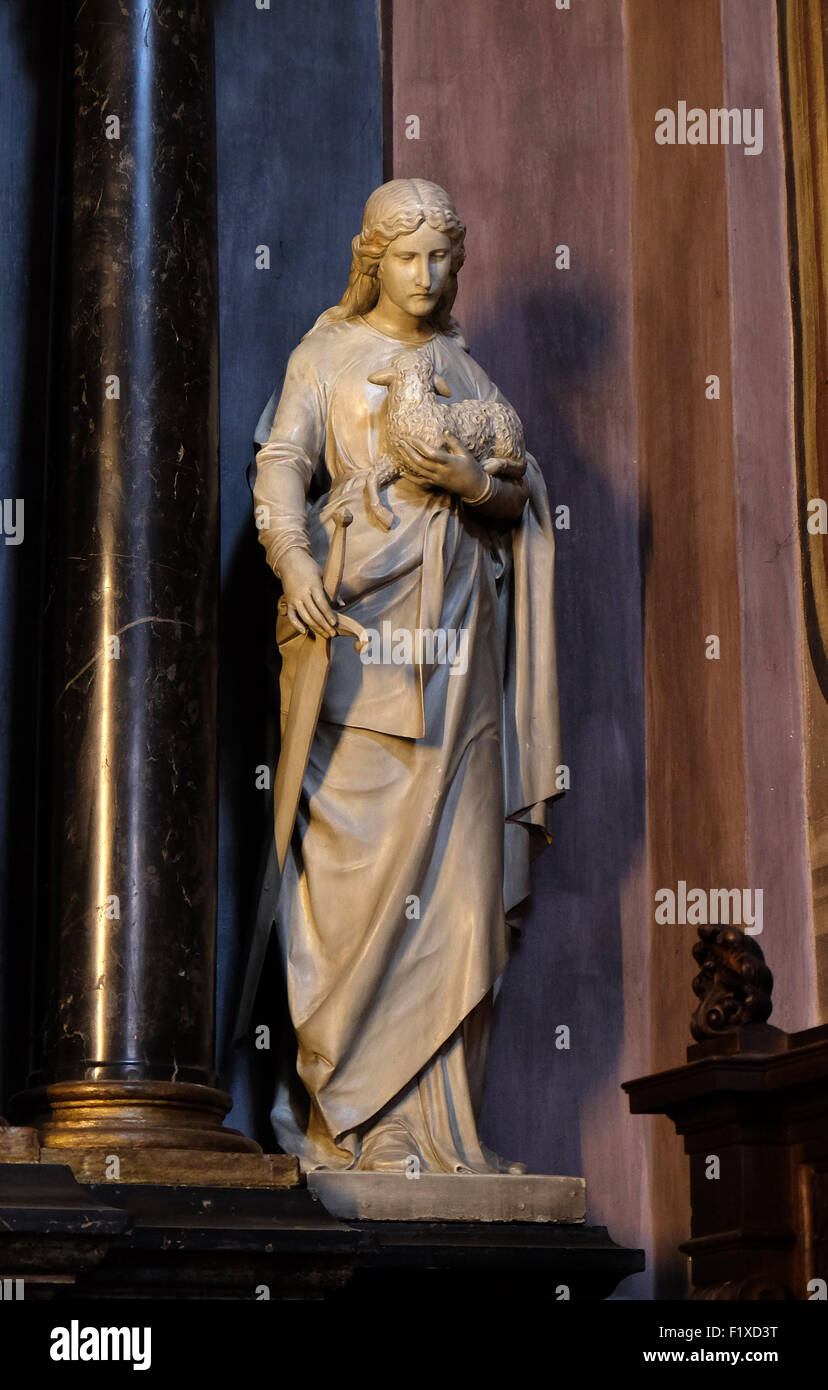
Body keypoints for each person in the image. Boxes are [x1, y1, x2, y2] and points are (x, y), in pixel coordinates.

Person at [252, 178, 561, 1173]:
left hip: (460, 638)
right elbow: (279, 468)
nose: (426, 279)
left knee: (458, 869)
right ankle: (350, 1114)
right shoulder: (326, 355)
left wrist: (466, 481)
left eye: (442, 260)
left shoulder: (463, 371)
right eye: (408, 258)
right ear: (370, 258)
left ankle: (437, 1131)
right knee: (353, 867)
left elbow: (515, 495)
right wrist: (295, 564)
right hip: (357, 627)